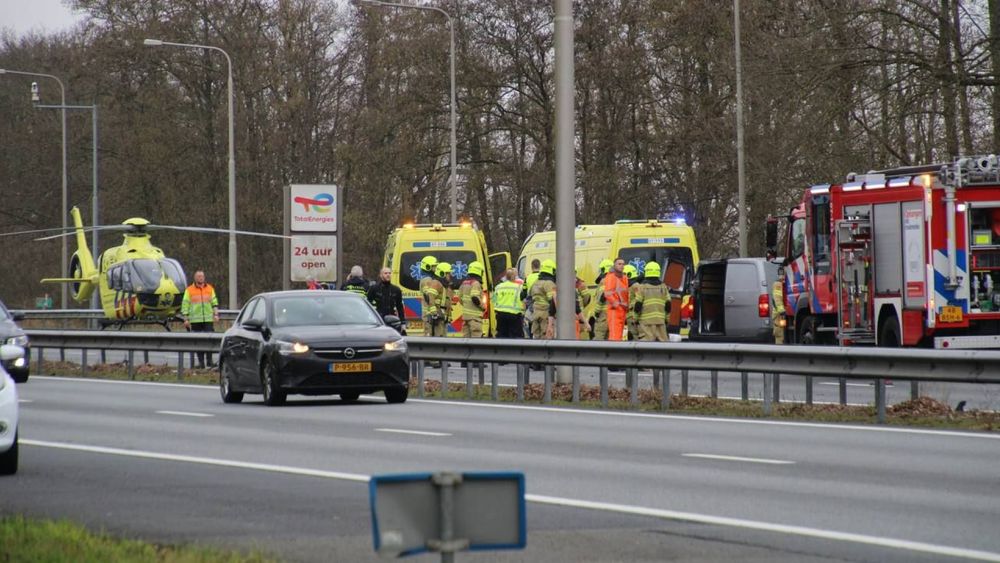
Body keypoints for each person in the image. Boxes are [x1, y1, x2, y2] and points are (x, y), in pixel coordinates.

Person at [181, 269, 219, 368]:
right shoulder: (189, 290)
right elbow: (185, 304)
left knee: (209, 341)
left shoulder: (210, 288)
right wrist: (185, 319)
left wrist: (216, 314)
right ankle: (201, 363)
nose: (200, 278)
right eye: (198, 276)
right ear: (195, 278)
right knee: (198, 342)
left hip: (208, 320)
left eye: (202, 276)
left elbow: (214, 302)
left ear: (204, 277)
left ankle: (209, 362)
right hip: (195, 320)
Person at [632, 262, 669, 342]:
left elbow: (638, 305)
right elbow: (668, 304)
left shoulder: (642, 287)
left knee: (646, 346)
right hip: (660, 322)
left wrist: (635, 318)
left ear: (646, 272)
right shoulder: (663, 287)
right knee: (663, 346)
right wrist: (666, 318)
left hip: (646, 323)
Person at [529, 259, 557, 340]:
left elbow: (529, 297)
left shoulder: (535, 282)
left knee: (536, 339)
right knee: (546, 339)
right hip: (546, 315)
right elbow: (552, 300)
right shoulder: (549, 283)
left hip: (535, 314)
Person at [492, 268, 524, 338]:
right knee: (515, 337)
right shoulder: (519, 287)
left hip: (500, 315)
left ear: (506, 277)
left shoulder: (498, 287)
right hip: (515, 316)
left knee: (501, 336)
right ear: (514, 277)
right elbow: (523, 299)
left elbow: (493, 300)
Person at [603, 258, 629, 341]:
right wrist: (616, 304)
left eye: (623, 264)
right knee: (615, 335)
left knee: (619, 335)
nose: (622, 266)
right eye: (619, 264)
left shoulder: (624, 277)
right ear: (614, 265)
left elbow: (625, 293)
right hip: (615, 310)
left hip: (622, 309)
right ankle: (614, 352)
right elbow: (607, 293)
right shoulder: (611, 277)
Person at [423, 262, 452, 337]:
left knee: (443, 338)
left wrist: (448, 316)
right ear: (442, 274)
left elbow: (447, 302)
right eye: (448, 273)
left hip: (441, 316)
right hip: (436, 317)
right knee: (438, 338)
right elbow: (430, 297)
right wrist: (434, 313)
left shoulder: (444, 285)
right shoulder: (436, 283)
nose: (451, 275)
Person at [459, 261, 486, 338]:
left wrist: (467, 306)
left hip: (466, 317)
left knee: (466, 340)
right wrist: (483, 306)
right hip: (475, 318)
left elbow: (460, 298)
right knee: (476, 340)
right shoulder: (476, 283)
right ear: (478, 271)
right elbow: (474, 297)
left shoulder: (464, 283)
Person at [590, 259, 614, 340]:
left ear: (604, 269)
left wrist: (596, 312)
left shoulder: (604, 281)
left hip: (603, 316)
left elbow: (602, 296)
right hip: (614, 316)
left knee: (598, 340)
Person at [521, 258, 542, 338]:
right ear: (539, 266)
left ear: (531, 266)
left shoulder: (528, 278)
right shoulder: (541, 277)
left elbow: (524, 291)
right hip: (541, 304)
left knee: (530, 325)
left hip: (531, 305)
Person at [624, 264, 640, 340]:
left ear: (629, 275)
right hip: (630, 316)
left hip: (633, 316)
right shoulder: (630, 286)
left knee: (635, 335)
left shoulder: (635, 285)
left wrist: (630, 306)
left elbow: (639, 300)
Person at [772, 265, 787, 344]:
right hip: (778, 315)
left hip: (781, 313)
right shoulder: (778, 284)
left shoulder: (783, 284)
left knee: (782, 333)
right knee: (780, 334)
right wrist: (782, 311)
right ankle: (779, 351)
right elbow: (777, 299)